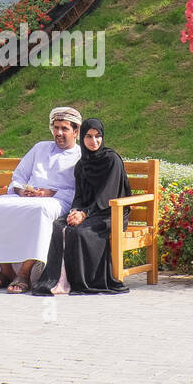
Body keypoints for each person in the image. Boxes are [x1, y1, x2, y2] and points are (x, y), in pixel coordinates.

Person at [0, 106, 82, 294]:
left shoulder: (80, 156)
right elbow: (19, 176)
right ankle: (5, 271)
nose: (58, 133)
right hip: (27, 198)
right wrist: (21, 190)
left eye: (64, 129)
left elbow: (78, 191)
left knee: (40, 211)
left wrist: (50, 193)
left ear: (76, 131)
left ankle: (24, 273)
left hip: (57, 201)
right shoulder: (40, 148)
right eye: (56, 128)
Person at [30, 118, 131, 296]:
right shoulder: (82, 164)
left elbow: (106, 196)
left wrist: (84, 213)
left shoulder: (111, 160)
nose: (94, 141)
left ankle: (85, 281)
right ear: (82, 139)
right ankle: (59, 280)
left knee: (79, 232)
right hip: (88, 213)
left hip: (110, 213)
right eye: (89, 137)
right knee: (60, 226)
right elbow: (79, 195)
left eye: (98, 136)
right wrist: (75, 210)